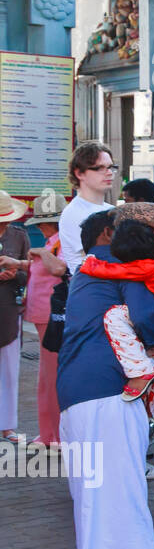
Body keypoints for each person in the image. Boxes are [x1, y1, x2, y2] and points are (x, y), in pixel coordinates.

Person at [56, 209, 154, 549]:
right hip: (111, 391)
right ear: (111, 234)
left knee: (92, 496)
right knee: (123, 491)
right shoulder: (122, 267)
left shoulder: (85, 275)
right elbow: (147, 316)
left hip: (74, 396)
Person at [79, 220, 154, 402]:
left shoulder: (144, 268)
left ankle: (141, 373)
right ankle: (147, 398)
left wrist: (89, 263)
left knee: (114, 316)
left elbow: (113, 271)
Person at [119, 176, 154, 450]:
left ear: (140, 201)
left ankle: (147, 443)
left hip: (153, 317)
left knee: (148, 378)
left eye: (127, 201)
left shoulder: (146, 232)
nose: (124, 205)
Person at [21, 192, 67, 450]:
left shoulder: (60, 243)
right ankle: (48, 433)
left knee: (53, 377)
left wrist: (38, 251)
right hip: (43, 317)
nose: (39, 227)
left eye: (42, 222)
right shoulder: (52, 242)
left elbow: (59, 268)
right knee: (46, 378)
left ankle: (56, 435)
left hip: (52, 317)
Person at [0, 191, 30, 446]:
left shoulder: (19, 236)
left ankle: (7, 426)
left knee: (10, 369)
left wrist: (15, 273)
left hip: (9, 308)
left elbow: (31, 272)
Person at [59, 142, 116, 276]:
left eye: (111, 167)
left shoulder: (111, 209)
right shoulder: (74, 212)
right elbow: (97, 258)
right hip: (92, 286)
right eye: (99, 168)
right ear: (79, 173)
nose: (109, 173)